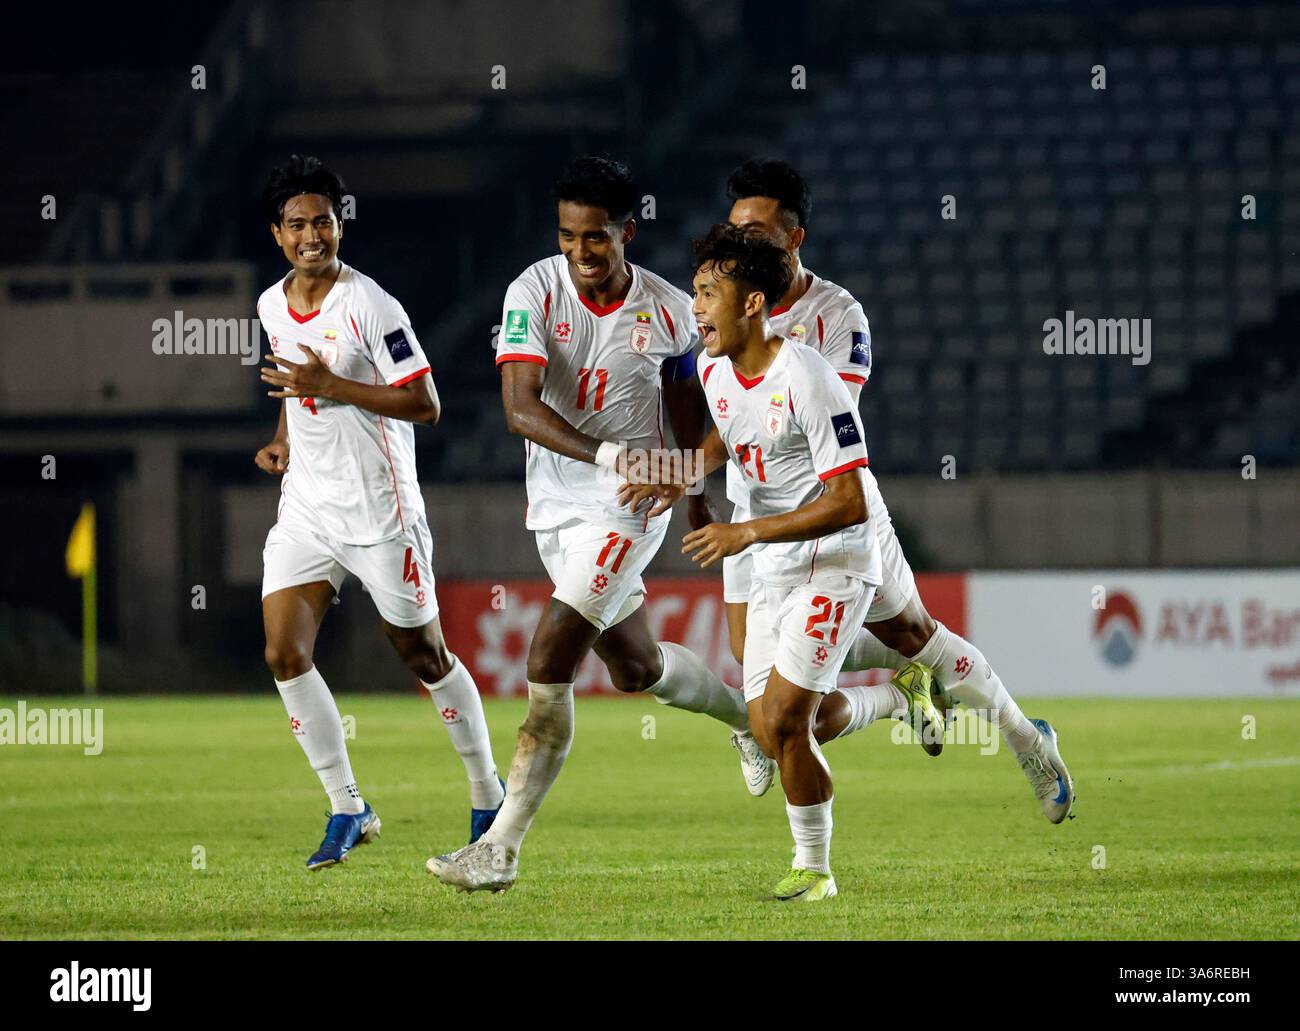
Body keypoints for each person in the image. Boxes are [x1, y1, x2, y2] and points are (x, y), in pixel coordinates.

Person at [426, 156, 771, 894]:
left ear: (627, 232)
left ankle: (501, 846)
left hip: (630, 506)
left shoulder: (674, 309)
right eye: (568, 236)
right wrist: (610, 453)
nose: (580, 254)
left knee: (549, 659)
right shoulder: (532, 291)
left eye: (595, 239)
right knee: (636, 668)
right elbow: (518, 408)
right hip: (556, 504)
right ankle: (751, 721)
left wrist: (692, 488)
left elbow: (687, 403)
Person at [723, 160, 1074, 824]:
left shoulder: (836, 315)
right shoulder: (719, 305)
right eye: (737, 231)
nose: (745, 246)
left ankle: (1029, 739)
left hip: (835, 510)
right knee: (777, 716)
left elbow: (825, 426)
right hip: (753, 518)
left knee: (914, 630)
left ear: (795, 238)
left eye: (761, 233)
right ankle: (897, 697)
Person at [255, 154, 503, 870]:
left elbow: (425, 403)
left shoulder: (371, 305)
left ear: (340, 224)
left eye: (324, 222)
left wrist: (333, 384)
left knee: (422, 655)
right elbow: (294, 389)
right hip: (307, 508)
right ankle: (347, 806)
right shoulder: (272, 304)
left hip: (379, 510)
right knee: (283, 651)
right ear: (277, 233)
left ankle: (488, 792)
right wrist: (281, 441)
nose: (313, 236)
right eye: (298, 224)